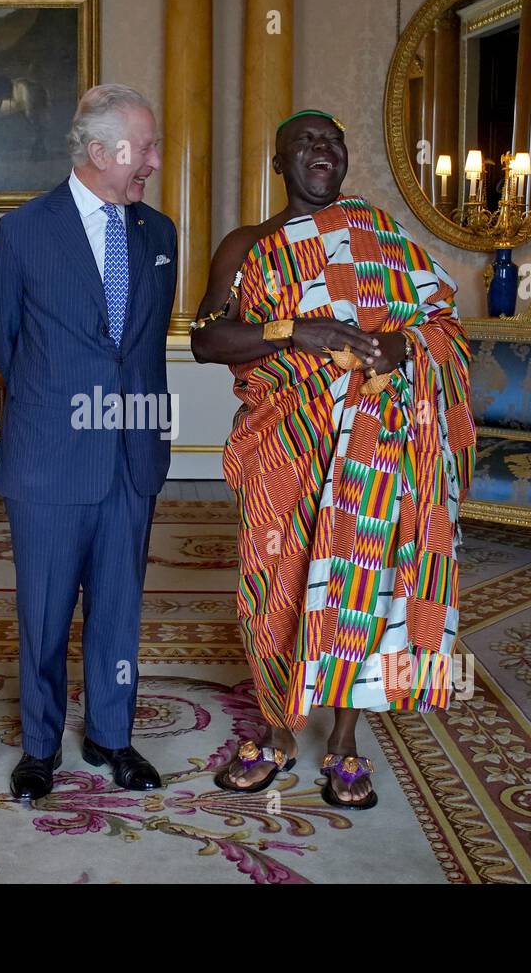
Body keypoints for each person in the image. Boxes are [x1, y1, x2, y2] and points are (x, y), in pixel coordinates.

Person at [190, 110, 476, 809]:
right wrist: (296, 331)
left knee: (364, 584)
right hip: (286, 445)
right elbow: (206, 339)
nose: (322, 150)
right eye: (304, 143)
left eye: (332, 141)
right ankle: (277, 728)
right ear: (280, 164)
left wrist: (404, 348)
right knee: (273, 581)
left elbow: (441, 323)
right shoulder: (247, 244)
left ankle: (345, 739)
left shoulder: (383, 237)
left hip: (377, 445)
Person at [0, 84, 176, 800]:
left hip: (132, 454)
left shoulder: (161, 235)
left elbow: (143, 347)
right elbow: (6, 342)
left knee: (119, 609)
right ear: (100, 152)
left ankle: (112, 736)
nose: (154, 160)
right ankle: (39, 747)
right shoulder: (24, 232)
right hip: (50, 457)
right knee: (44, 611)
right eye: (144, 147)